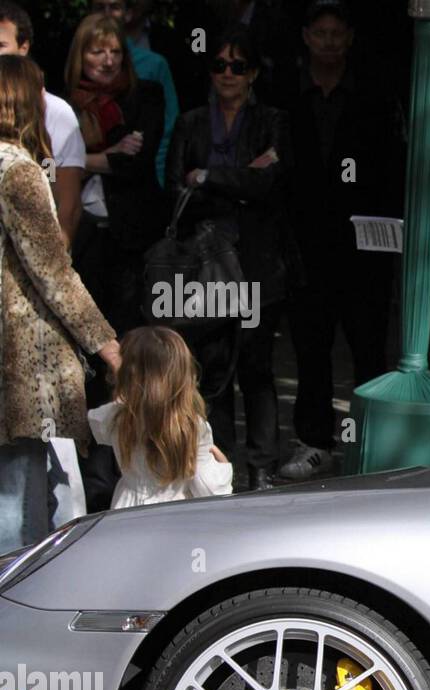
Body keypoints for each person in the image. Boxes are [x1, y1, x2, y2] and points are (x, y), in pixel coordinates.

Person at [167, 24, 299, 491]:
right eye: (219, 64)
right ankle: (218, 464)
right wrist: (239, 175)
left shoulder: (274, 121)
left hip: (259, 260)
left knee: (259, 366)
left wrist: (209, 175)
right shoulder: (190, 122)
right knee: (213, 368)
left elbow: (270, 184)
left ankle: (261, 466)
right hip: (205, 263)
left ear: (253, 73)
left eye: (237, 66)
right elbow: (175, 186)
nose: (227, 73)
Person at [276, 0, 403, 480]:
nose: (328, 41)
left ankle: (367, 444)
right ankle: (314, 442)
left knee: (369, 346)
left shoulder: (372, 92)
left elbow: (392, 168)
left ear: (348, 38)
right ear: (307, 37)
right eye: (320, 33)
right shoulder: (289, 95)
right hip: (307, 242)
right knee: (310, 348)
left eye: (337, 33)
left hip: (364, 245)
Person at [0, 54, 120, 550]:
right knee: (18, 515)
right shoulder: (18, 171)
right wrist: (108, 346)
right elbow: (54, 274)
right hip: (21, 363)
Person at [65, 12, 165, 336]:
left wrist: (75, 162)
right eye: (97, 52)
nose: (108, 61)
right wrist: (108, 154)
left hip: (131, 234)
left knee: (127, 330)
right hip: (80, 233)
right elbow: (46, 167)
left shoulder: (146, 95)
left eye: (116, 52)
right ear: (80, 56)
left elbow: (135, 163)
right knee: (84, 331)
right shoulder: (62, 104)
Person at [87, 326, 232, 508]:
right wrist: (224, 467)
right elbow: (209, 490)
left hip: (126, 507)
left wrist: (125, 396)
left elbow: (96, 424)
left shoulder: (117, 416)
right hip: (175, 512)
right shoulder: (191, 425)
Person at [0, 1, 86, 248]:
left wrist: (54, 271)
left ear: (23, 47)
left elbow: (67, 205)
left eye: (0, 46)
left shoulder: (55, 113)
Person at [90, 0, 180, 187]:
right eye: (99, 8)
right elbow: (55, 160)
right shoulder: (75, 75)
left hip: (136, 188)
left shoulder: (154, 68)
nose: (106, 14)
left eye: (114, 7)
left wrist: (161, 179)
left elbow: (168, 131)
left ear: (128, 13)